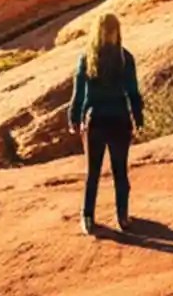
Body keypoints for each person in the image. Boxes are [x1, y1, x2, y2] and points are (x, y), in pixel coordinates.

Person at [68, 13, 144, 236]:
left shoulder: (87, 58)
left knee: (93, 173)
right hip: (118, 120)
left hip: (96, 122)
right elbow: (133, 93)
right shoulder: (125, 57)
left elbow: (79, 95)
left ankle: (88, 217)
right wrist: (138, 119)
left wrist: (74, 118)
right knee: (119, 172)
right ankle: (122, 217)